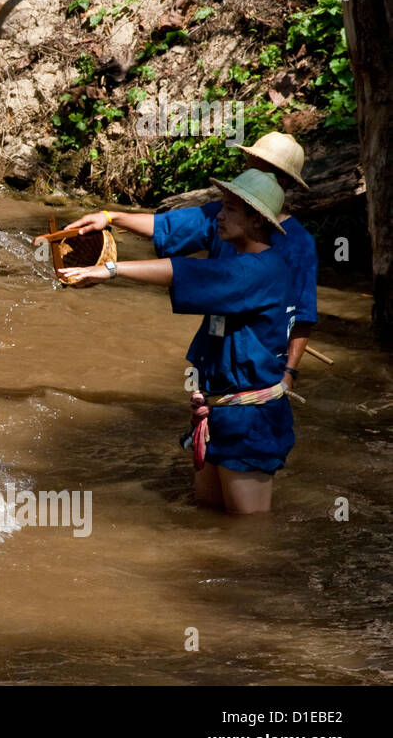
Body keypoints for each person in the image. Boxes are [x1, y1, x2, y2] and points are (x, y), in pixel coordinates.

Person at [57, 171, 296, 514]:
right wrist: (110, 217)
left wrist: (111, 270)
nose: (218, 216)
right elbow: (173, 232)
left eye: (229, 209)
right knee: (207, 516)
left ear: (257, 220)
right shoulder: (242, 260)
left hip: (250, 420)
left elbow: (186, 272)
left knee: (248, 532)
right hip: (219, 410)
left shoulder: (257, 270)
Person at [62, 131, 317, 391]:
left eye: (260, 168)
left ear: (282, 182)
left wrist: (289, 373)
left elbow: (301, 315)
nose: (248, 171)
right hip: (216, 357)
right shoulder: (227, 218)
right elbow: (169, 227)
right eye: (249, 163)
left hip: (249, 372)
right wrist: (110, 217)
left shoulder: (288, 248)